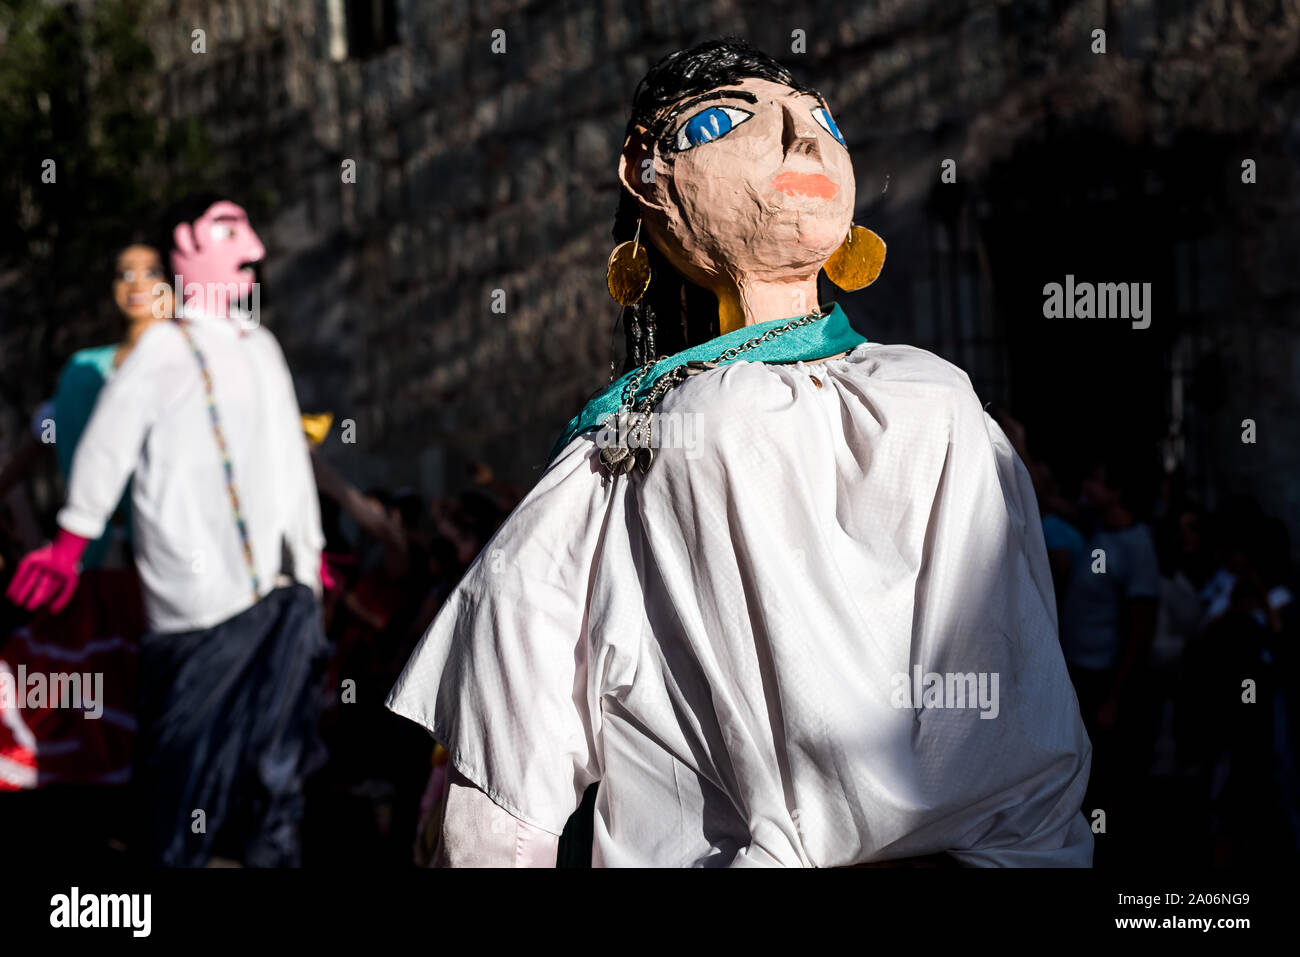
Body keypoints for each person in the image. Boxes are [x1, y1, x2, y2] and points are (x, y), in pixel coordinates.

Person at [387, 38, 1093, 867]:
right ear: (644, 174)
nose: (801, 141)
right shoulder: (643, 434)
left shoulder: (935, 397)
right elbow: (510, 770)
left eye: (818, 119)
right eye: (727, 121)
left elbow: (501, 804)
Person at [5, 193, 328, 866]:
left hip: (284, 593)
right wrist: (71, 540)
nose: (255, 248)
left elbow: (290, 459)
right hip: (198, 600)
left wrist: (311, 554)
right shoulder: (161, 348)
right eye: (230, 230)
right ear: (184, 244)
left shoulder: (262, 345)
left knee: (279, 766)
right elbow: (106, 445)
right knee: (184, 768)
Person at [0, 241, 170, 793]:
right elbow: (23, 461)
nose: (136, 282)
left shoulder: (193, 368)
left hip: (166, 570)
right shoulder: (82, 371)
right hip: (91, 574)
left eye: (151, 272)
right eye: (125, 272)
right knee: (82, 704)